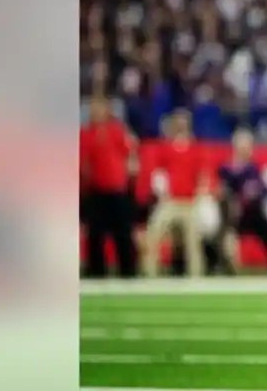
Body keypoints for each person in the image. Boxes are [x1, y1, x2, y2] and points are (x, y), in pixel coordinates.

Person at [141, 110, 206, 278]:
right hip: (170, 202)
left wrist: (199, 195)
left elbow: (201, 175)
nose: (181, 126)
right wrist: (161, 193)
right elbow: (159, 173)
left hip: (189, 203)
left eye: (184, 122)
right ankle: (150, 275)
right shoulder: (166, 148)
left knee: (194, 243)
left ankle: (196, 278)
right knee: (153, 234)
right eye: (179, 122)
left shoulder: (195, 149)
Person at [80, 95, 139, 278]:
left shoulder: (118, 131)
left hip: (117, 190)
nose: (95, 112)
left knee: (123, 233)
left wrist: (129, 179)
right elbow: (84, 162)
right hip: (96, 191)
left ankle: (128, 271)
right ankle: (96, 272)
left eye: (99, 108)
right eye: (92, 109)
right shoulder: (85, 134)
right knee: (95, 235)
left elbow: (130, 156)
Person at [217, 128, 267, 276]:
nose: (248, 151)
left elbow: (263, 189)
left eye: (249, 147)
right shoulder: (227, 169)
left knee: (265, 227)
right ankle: (221, 266)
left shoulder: (253, 168)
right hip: (233, 214)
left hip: (253, 212)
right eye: (245, 147)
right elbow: (224, 191)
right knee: (223, 230)